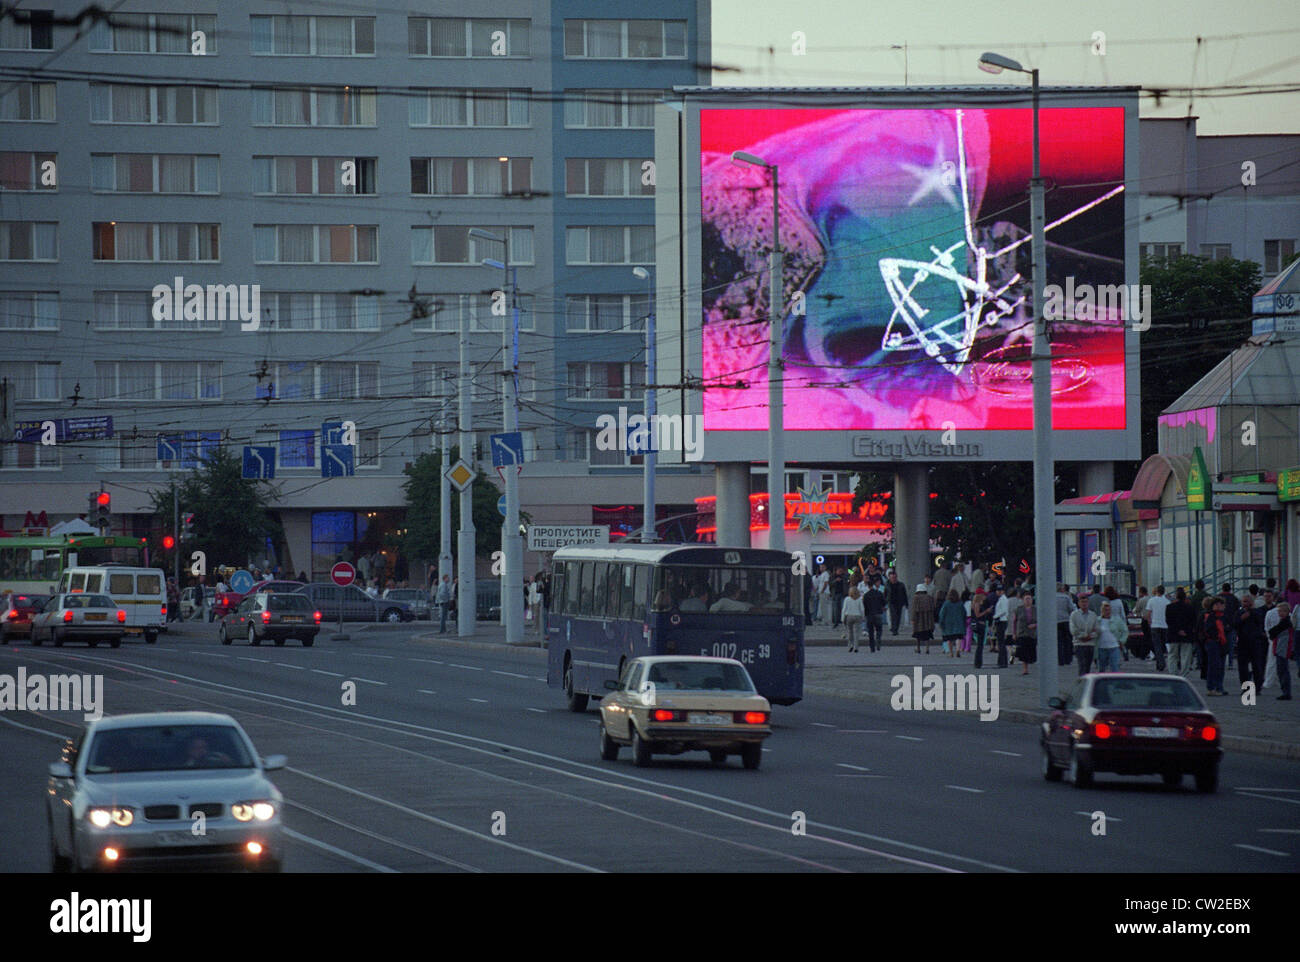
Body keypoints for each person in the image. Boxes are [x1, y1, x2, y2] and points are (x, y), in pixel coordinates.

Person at [1237, 591, 1268, 693]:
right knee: (1243, 667)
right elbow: (1234, 624)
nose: (1244, 604)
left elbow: (1261, 623)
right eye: (1243, 602)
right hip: (1242, 642)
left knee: (1257, 666)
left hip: (1255, 642)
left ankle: (1258, 687)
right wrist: (1241, 619)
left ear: (1251, 602)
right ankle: (1245, 687)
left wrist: (1251, 612)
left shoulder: (1257, 612)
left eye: (1246, 601)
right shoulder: (1239, 613)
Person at [1166, 587, 1197, 675]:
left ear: (1176, 597)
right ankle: (1183, 673)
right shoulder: (1190, 608)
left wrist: (1177, 630)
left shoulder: (1169, 607)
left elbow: (1169, 621)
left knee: (1172, 655)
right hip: (1187, 635)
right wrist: (1185, 631)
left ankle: (1173, 673)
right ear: (1185, 598)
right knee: (1186, 655)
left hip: (1173, 634)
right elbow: (1193, 622)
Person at [1266, 601, 1294, 700]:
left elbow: (1273, 632)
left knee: (1283, 670)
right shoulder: (1285, 622)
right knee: (1282, 670)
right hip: (1281, 648)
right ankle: (1285, 691)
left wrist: (1272, 633)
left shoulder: (1285, 623)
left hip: (1282, 649)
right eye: (1279, 611)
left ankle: (1286, 692)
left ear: (1287, 612)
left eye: (1283, 611)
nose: (1280, 613)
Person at [1069, 598, 1100, 676]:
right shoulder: (1074, 615)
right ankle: (1081, 682)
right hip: (1079, 644)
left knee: (1088, 666)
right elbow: (1073, 630)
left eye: (1086, 602)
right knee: (1082, 664)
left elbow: (1097, 629)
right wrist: (1083, 636)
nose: (1084, 604)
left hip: (1090, 644)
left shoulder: (1093, 615)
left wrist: (1090, 636)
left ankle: (1086, 681)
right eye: (1082, 602)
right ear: (1079, 603)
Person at [1144, 584, 1171, 671]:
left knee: (1157, 646)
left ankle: (1160, 663)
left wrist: (1149, 622)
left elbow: (1148, 614)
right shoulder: (1167, 602)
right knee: (1163, 645)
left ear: (1156, 591)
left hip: (1155, 625)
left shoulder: (1151, 601)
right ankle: (1160, 662)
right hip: (1165, 625)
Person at [1011, 589, 1037, 675]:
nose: (1028, 600)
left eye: (1029, 598)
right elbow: (1014, 621)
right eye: (1026, 599)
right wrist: (1014, 633)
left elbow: (1041, 621)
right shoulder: (1018, 609)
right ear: (1023, 600)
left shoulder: (1035, 609)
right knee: (1023, 652)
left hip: (1032, 633)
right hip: (1022, 633)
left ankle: (1028, 664)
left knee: (1031, 651)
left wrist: (1035, 625)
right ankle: (1025, 669)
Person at [1096, 601, 1127, 672]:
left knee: (1115, 668)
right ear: (1102, 610)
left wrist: (1122, 640)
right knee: (1101, 669)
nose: (1107, 612)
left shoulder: (1117, 620)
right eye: (1105, 610)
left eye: (1109, 610)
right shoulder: (1098, 620)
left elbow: (1125, 631)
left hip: (1114, 647)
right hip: (1101, 648)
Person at [938, 589, 965, 657]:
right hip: (958, 623)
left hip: (948, 624)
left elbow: (942, 614)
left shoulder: (946, 603)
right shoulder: (960, 603)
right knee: (958, 638)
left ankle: (951, 652)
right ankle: (958, 650)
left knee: (949, 639)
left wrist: (941, 622)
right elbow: (964, 613)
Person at [911, 583, 935, 654]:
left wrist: (912, 619)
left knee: (918, 634)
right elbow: (933, 608)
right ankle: (927, 649)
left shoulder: (916, 598)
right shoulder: (929, 598)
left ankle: (918, 648)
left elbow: (914, 610)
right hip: (928, 619)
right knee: (928, 633)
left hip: (919, 619)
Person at [862, 579, 885, 652]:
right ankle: (878, 640)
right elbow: (884, 602)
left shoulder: (866, 595)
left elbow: (864, 606)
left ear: (868, 586)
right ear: (874, 585)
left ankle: (872, 647)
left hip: (869, 615)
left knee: (870, 631)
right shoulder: (879, 593)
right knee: (879, 629)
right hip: (878, 613)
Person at [1055, 583, 1075, 667]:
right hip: (1066, 620)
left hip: (1055, 621)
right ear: (1062, 589)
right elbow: (1072, 608)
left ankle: (1060, 660)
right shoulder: (1066, 597)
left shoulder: (1051, 597)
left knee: (1058, 642)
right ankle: (1068, 659)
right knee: (1067, 641)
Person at [884, 569, 909, 636]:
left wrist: (906, 603)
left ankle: (896, 628)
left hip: (899, 602)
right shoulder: (887, 585)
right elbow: (885, 594)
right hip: (891, 602)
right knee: (893, 615)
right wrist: (884, 602)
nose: (893, 579)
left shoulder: (901, 585)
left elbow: (904, 594)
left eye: (894, 577)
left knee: (898, 616)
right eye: (892, 578)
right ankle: (894, 629)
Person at [970, 584, 989, 668]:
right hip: (979, 624)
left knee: (980, 644)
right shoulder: (977, 604)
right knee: (980, 645)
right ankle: (978, 663)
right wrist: (986, 611)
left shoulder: (973, 603)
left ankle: (978, 662)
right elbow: (977, 615)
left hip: (975, 624)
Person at [841, 586, 865, 652]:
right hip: (857, 616)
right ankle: (856, 647)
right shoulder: (859, 599)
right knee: (857, 632)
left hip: (849, 616)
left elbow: (844, 609)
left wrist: (842, 618)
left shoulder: (847, 599)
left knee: (849, 631)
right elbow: (862, 609)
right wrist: (863, 617)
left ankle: (850, 645)